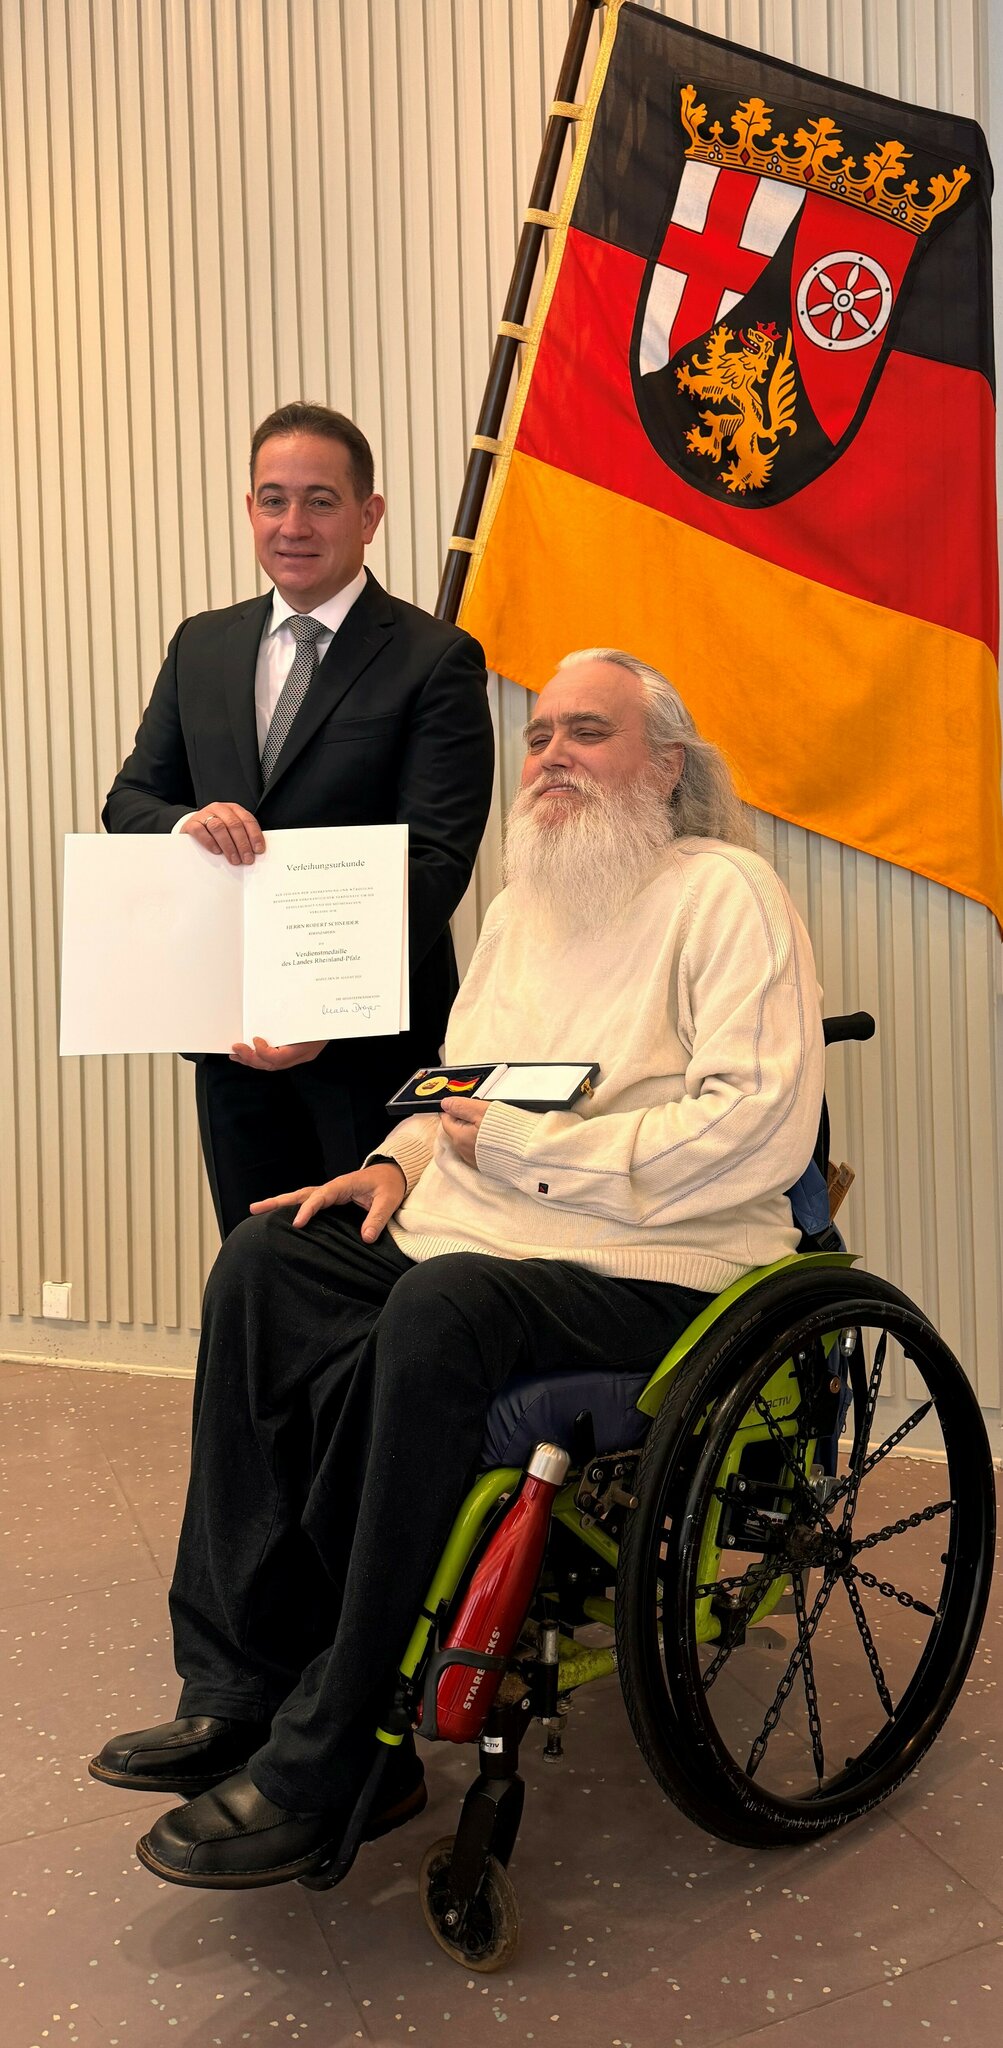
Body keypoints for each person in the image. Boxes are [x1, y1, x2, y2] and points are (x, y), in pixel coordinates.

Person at [90, 649, 825, 1890]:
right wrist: (394, 1160)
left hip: (662, 1257)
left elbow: (757, 1125)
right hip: (490, 1235)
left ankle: (345, 1749)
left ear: (665, 765)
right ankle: (238, 1684)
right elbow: (461, 1092)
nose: (548, 757)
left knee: (441, 1306)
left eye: (585, 732)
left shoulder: (725, 892)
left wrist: (533, 1154)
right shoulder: (528, 901)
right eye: (538, 735)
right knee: (269, 1258)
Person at [104, 402, 494, 1236]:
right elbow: (129, 802)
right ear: (249, 509)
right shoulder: (200, 646)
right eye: (273, 500)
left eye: (320, 500)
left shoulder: (434, 659)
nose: (294, 525)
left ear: (369, 515)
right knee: (254, 1261)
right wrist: (186, 826)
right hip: (231, 1033)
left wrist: (327, 1009)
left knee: (368, 1277)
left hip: (368, 1048)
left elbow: (435, 860)